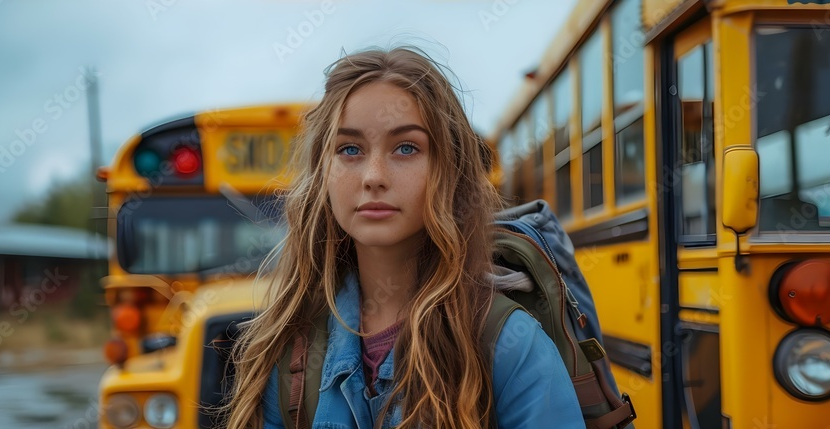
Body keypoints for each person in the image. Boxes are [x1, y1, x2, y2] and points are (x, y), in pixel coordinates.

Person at [224, 46, 585, 429]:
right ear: (322, 173)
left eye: (406, 147)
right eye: (349, 149)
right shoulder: (289, 349)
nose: (373, 175)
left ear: (449, 170)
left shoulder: (510, 345)